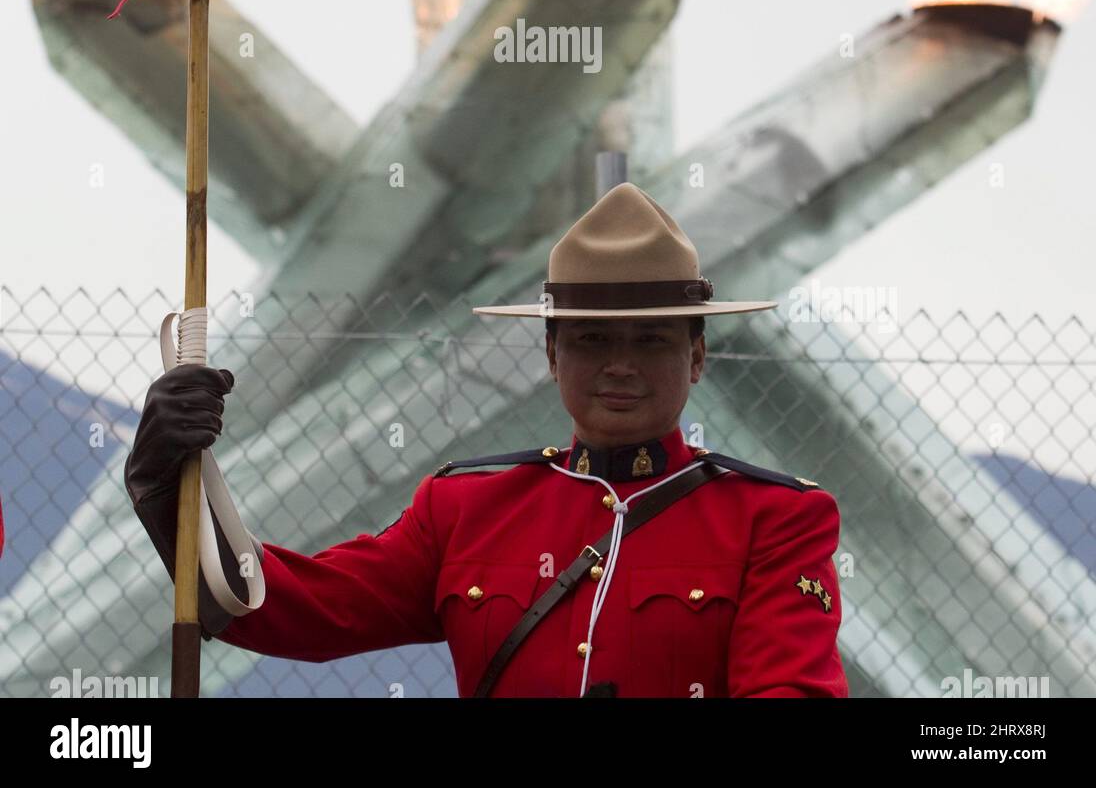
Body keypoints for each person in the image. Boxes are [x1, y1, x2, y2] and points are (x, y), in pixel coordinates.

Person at [125, 181, 849, 698]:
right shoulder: (465, 508)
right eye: (593, 339)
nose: (621, 363)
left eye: (652, 340)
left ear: (697, 356)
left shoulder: (774, 520)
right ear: (550, 355)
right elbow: (287, 610)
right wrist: (166, 488)